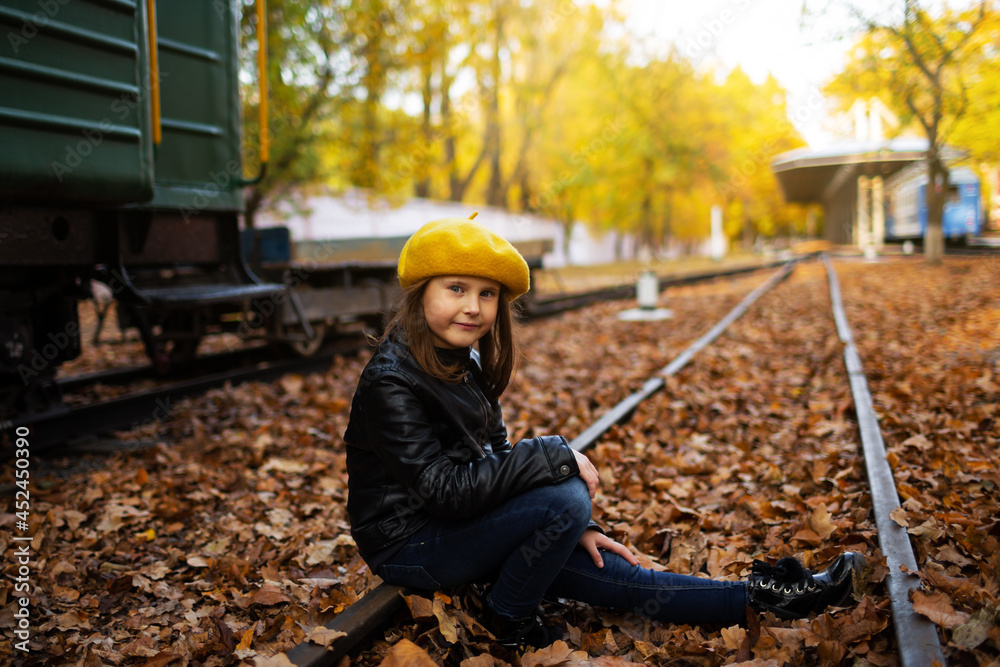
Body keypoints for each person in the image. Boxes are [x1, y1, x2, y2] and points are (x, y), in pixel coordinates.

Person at [344, 214, 862, 651]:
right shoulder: (392, 381)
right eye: (456, 289)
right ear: (420, 294)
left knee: (620, 575)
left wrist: (571, 529)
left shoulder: (466, 359)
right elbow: (443, 490)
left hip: (463, 530)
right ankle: (509, 618)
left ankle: (768, 596)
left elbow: (494, 452)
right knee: (565, 495)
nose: (474, 307)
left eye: (487, 294)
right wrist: (554, 461)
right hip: (411, 545)